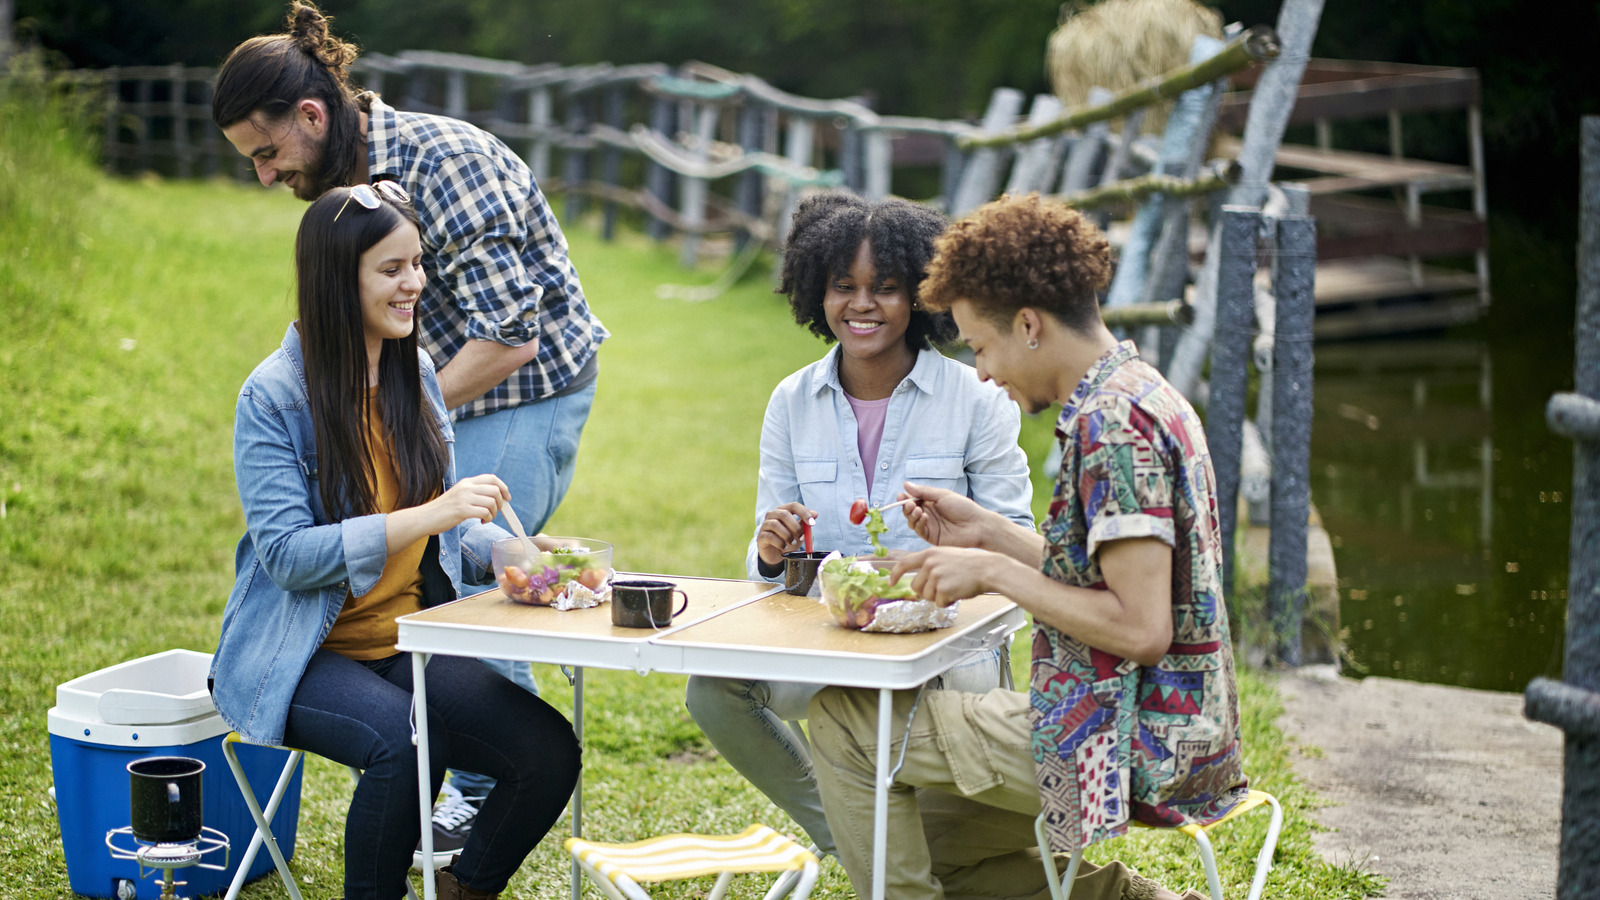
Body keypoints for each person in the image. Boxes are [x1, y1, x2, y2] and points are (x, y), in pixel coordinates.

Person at [211, 1, 606, 846]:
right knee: (443, 548)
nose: (266, 176)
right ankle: (429, 775)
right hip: (422, 385)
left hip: (522, 385)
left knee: (481, 589)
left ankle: (469, 802)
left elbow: (510, 335)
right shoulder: (344, 202)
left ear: (311, 117)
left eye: (267, 152)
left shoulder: (442, 161)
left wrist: (396, 420)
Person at [806, 194, 1247, 900]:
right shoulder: (1140, 392)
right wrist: (992, 534)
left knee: (845, 718)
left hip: (1128, 735)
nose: (981, 372)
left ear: (1030, 325)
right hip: (1167, 723)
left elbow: (1140, 628)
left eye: (981, 346)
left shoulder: (1114, 427)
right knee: (945, 846)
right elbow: (1117, 582)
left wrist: (991, 573)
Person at [209, 183, 581, 900]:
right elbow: (286, 556)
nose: (414, 283)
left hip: (403, 642)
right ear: (334, 278)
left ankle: (460, 891)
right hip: (302, 654)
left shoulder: (412, 374)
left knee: (546, 751)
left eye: (416, 264)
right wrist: (436, 513)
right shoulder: (274, 396)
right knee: (408, 744)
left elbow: (447, 527)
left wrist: (511, 552)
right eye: (391, 269)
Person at [685, 192, 1034, 857]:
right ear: (817, 293)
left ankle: (895, 841)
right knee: (713, 692)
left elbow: (1014, 538)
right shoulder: (792, 401)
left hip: (944, 648)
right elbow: (770, 577)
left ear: (922, 298)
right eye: (844, 286)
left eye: (887, 288)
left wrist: (954, 560)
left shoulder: (977, 399)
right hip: (829, 641)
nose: (862, 304)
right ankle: (848, 836)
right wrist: (768, 552)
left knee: (913, 729)